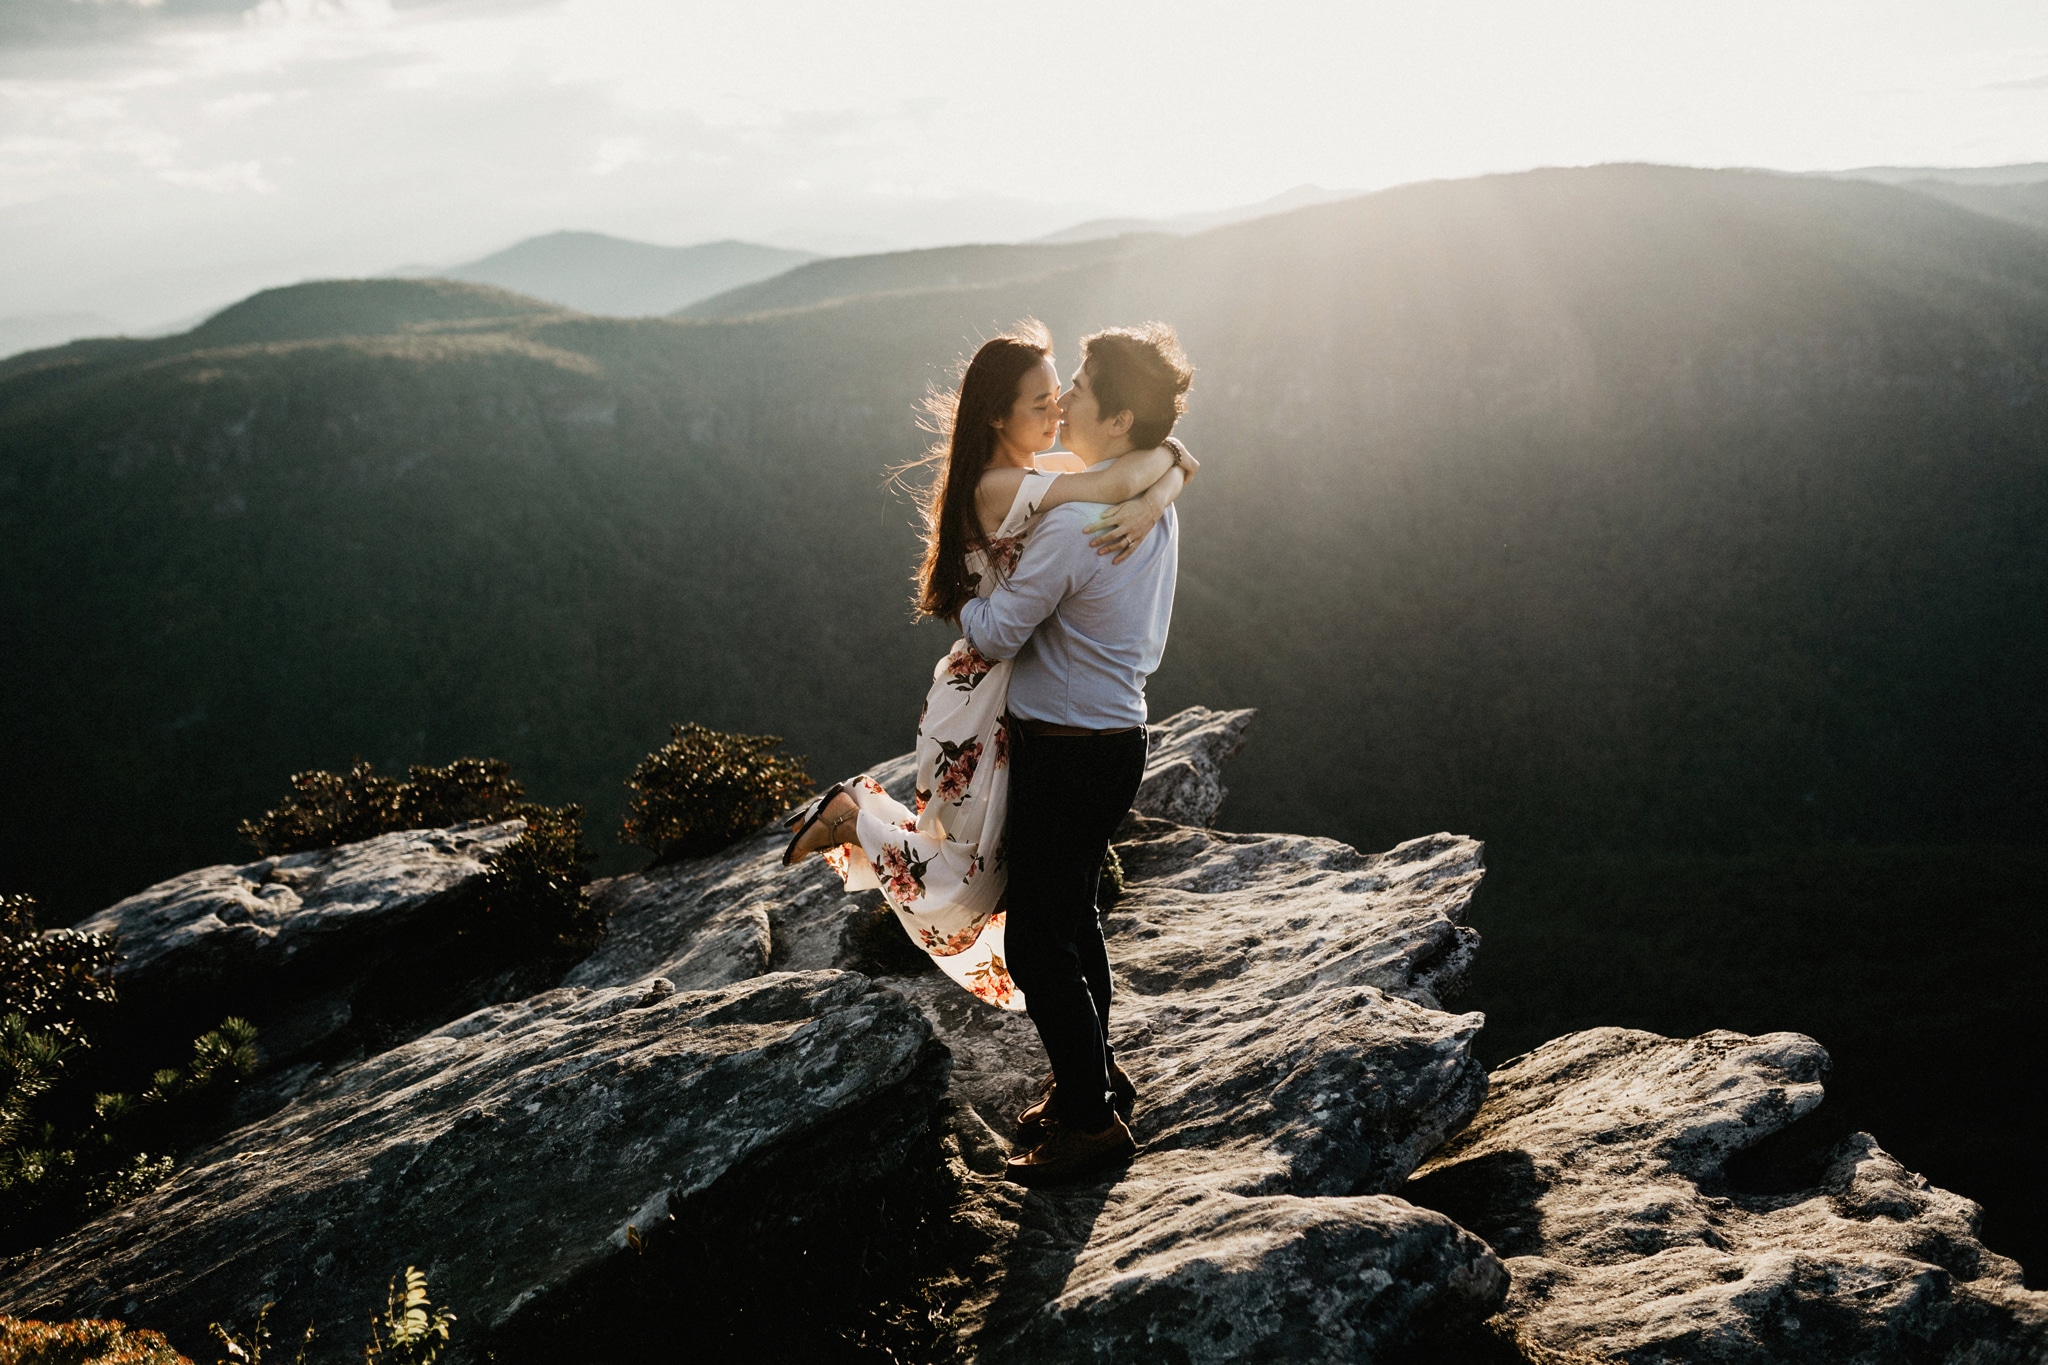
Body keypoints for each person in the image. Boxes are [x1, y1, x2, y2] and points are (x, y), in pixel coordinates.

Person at [781, 320, 1196, 1023]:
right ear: (997, 416)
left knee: (1034, 895)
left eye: (1061, 391)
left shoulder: (1044, 473)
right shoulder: (1004, 485)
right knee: (966, 870)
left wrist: (1165, 482)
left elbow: (1148, 463)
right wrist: (1162, 485)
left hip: (1021, 695)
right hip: (983, 693)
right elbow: (1128, 472)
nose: (1059, 407)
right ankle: (857, 818)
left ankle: (1087, 1074)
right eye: (1041, 400)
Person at [955, 321, 1194, 1186]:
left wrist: (964, 606)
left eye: (1081, 391)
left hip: (1064, 750)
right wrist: (1164, 476)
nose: (1065, 402)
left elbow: (1000, 629)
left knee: (1034, 943)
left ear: (1121, 419)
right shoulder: (1143, 509)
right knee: (1075, 914)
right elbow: (1173, 462)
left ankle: (1089, 1123)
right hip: (1117, 737)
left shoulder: (1073, 525)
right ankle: (1092, 1078)